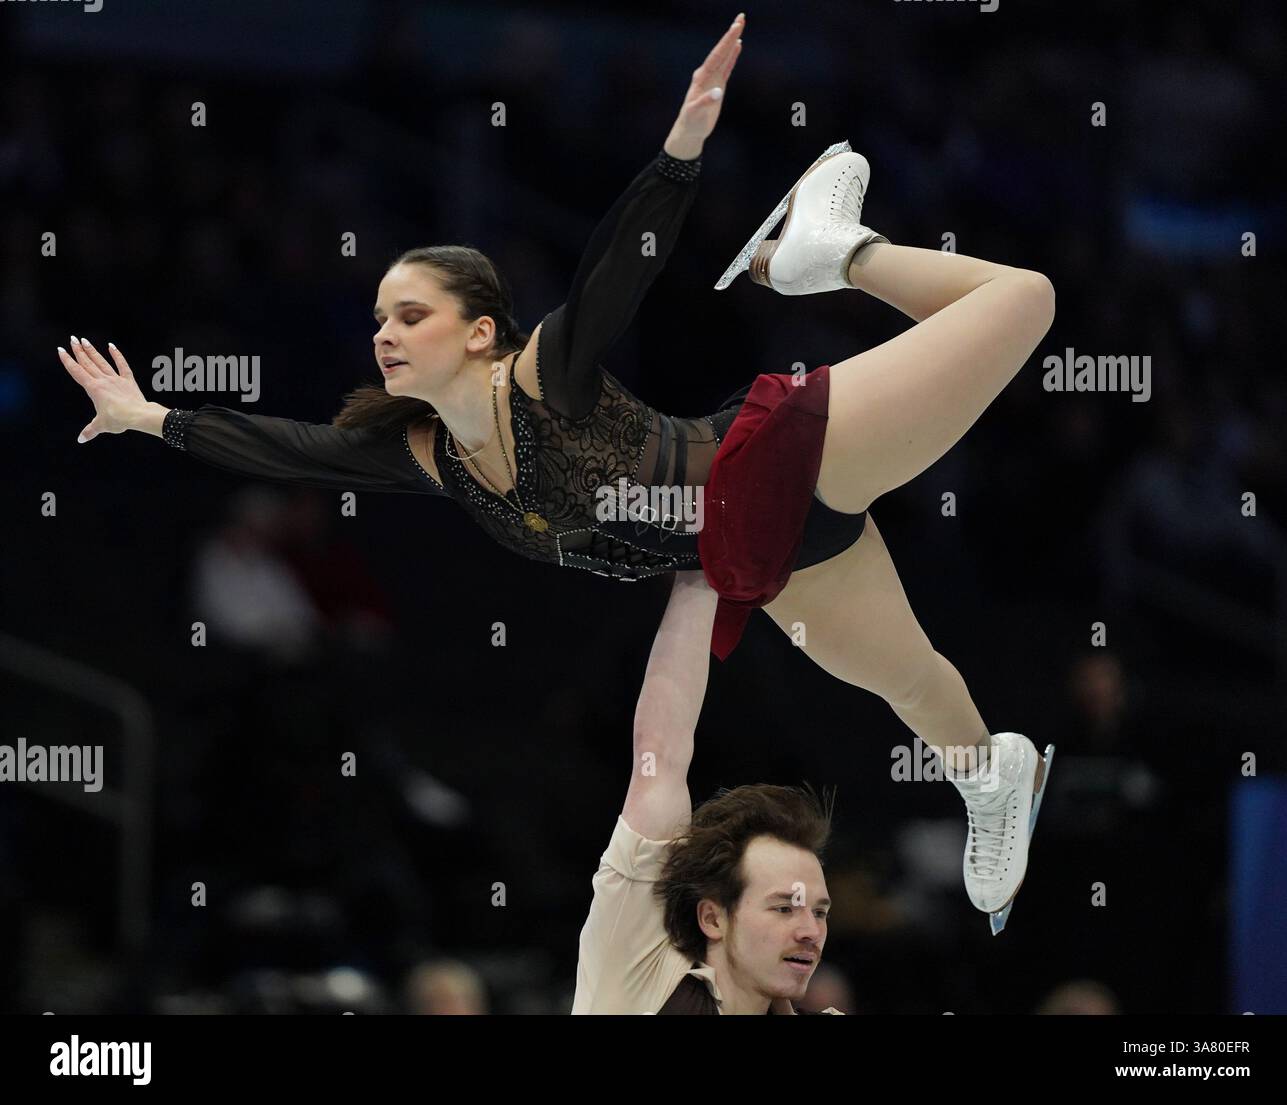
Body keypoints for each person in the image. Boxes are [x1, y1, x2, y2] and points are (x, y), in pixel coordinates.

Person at [59, 13, 1053, 927]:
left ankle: (837, 253)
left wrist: (680, 151)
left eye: (411, 314)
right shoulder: (434, 457)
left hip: (779, 458)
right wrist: (150, 417)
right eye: (378, 320)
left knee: (1026, 301)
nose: (386, 334)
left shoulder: (542, 381)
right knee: (921, 692)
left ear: (482, 330)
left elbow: (613, 272)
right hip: (763, 555)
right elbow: (290, 448)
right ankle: (992, 776)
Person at [572, 570, 840, 1015]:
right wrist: (702, 565)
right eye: (784, 909)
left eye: (820, 912)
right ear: (713, 917)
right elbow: (659, 759)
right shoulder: (637, 978)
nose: (810, 931)